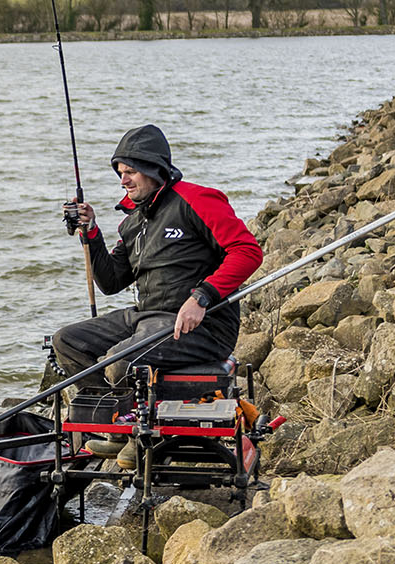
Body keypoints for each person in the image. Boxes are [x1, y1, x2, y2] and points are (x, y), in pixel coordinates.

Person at [54, 124, 264, 467]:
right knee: (68, 341)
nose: (124, 180)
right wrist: (91, 232)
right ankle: (121, 429)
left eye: (131, 172)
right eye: (121, 173)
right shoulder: (133, 221)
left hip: (203, 325)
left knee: (122, 360)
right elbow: (110, 280)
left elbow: (247, 251)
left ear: (154, 169)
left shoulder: (197, 199)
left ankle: (140, 434)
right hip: (147, 317)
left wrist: (202, 297)